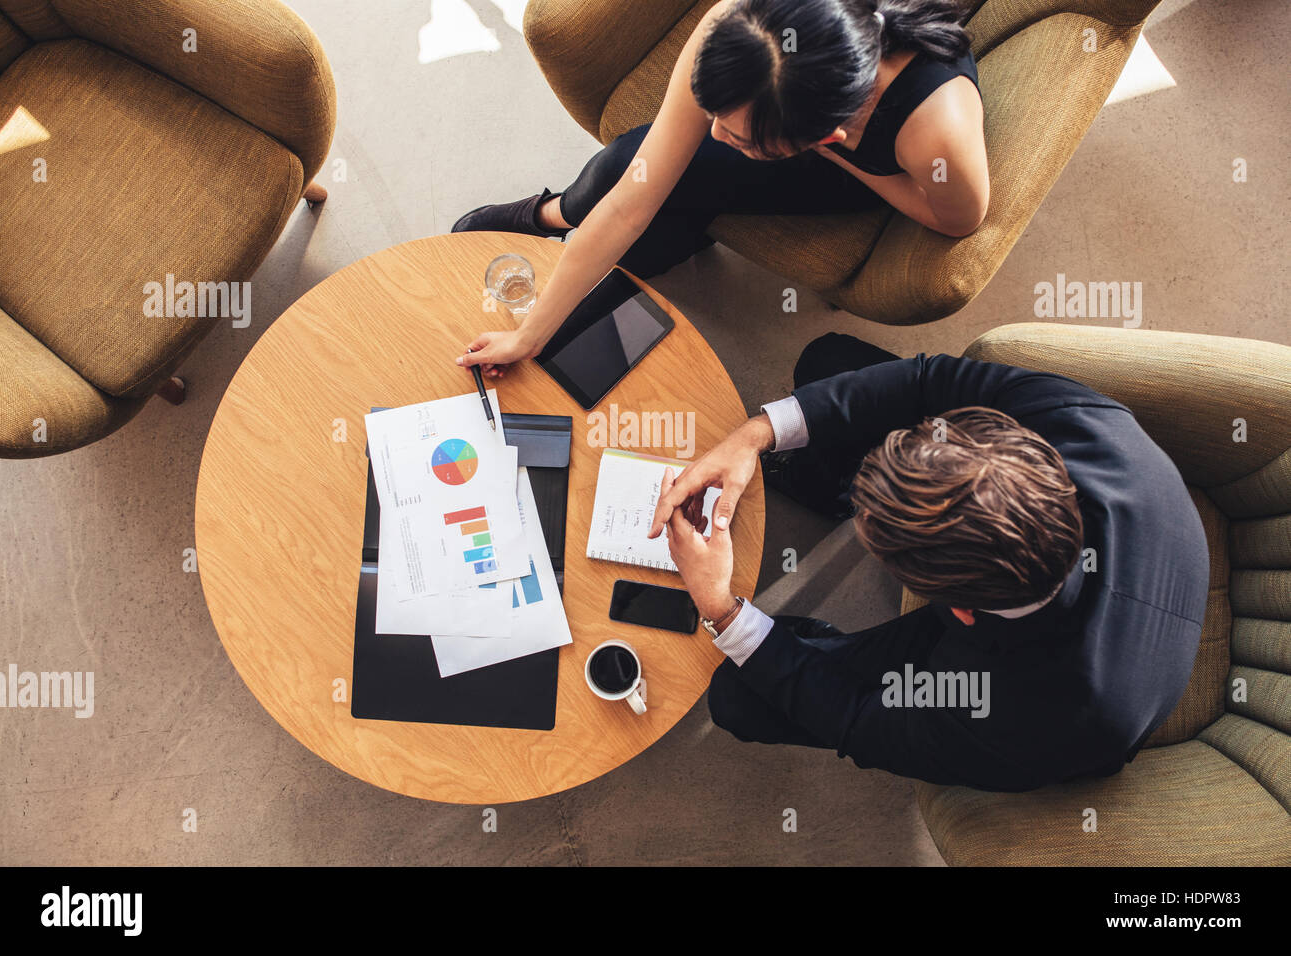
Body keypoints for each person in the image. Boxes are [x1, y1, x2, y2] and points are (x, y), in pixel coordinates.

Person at [650, 334, 1208, 792]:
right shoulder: (1085, 423)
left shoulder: (1031, 719)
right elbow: (929, 379)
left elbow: (858, 723)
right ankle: (827, 492)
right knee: (829, 361)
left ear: (957, 611)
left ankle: (817, 638)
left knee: (740, 697)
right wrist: (754, 436)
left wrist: (720, 609)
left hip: (1023, 679)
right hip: (1062, 594)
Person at [452, 0, 988, 379]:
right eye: (714, 115)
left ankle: (656, 242)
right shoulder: (740, 25)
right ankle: (550, 214)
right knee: (624, 166)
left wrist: (845, 159)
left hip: (854, 167)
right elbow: (629, 204)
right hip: (802, 123)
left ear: (821, 138)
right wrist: (529, 336)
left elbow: (956, 219)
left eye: (738, 137)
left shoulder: (936, 130)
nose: (713, 136)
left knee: (653, 233)